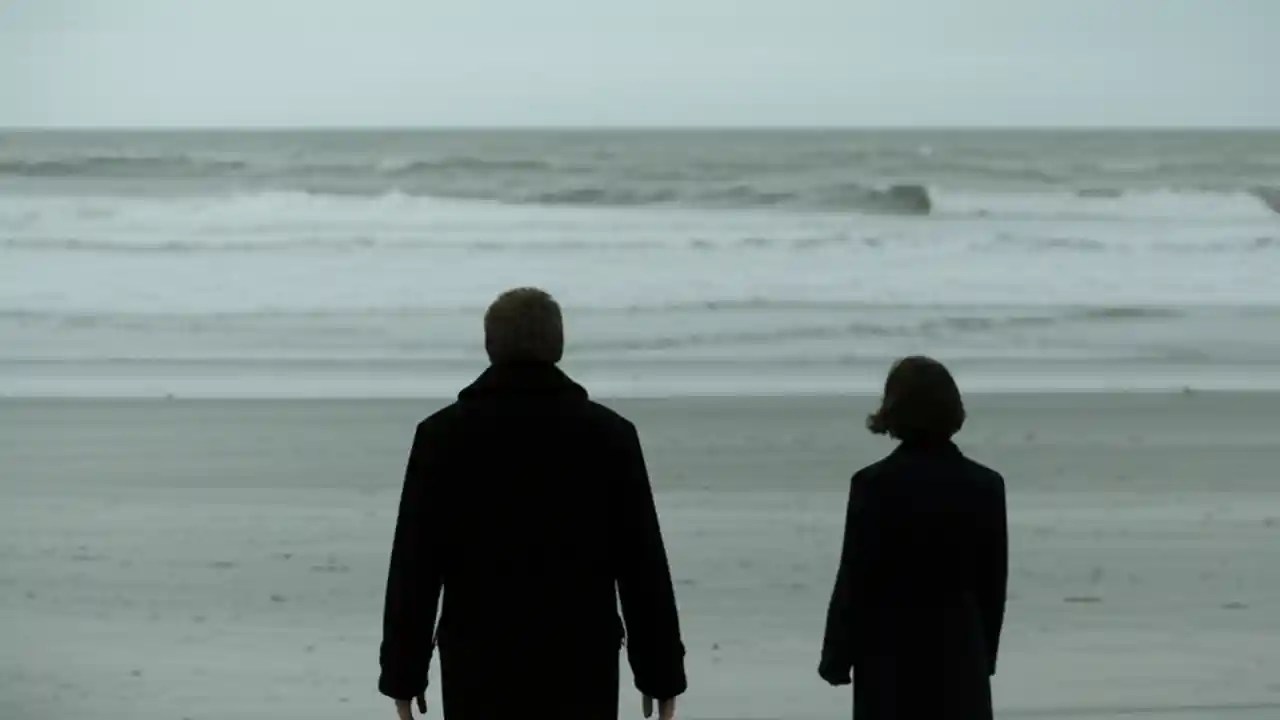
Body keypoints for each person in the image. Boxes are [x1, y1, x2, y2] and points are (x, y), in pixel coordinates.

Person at [378, 288, 687, 720]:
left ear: (490, 346)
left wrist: (402, 674)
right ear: (558, 344)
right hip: (581, 660)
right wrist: (661, 672)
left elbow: (415, 566)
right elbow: (642, 565)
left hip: (477, 662)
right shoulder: (609, 435)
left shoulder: (442, 436)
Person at [819, 356, 1008, 719]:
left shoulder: (873, 484)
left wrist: (837, 657)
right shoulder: (986, 486)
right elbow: (992, 582)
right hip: (960, 650)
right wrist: (985, 656)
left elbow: (856, 577)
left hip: (888, 654)